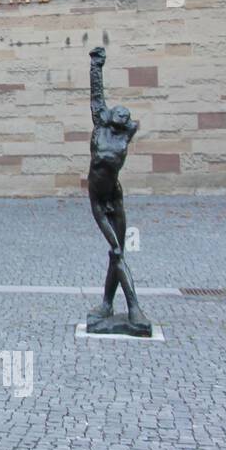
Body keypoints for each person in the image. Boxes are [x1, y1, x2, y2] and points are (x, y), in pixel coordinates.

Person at [86, 47, 148, 333]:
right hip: (98, 199)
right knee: (116, 250)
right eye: (118, 111)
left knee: (118, 252)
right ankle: (135, 309)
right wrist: (97, 66)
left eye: (126, 114)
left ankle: (107, 305)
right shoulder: (100, 125)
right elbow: (96, 94)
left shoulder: (127, 133)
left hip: (115, 196)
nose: (123, 113)